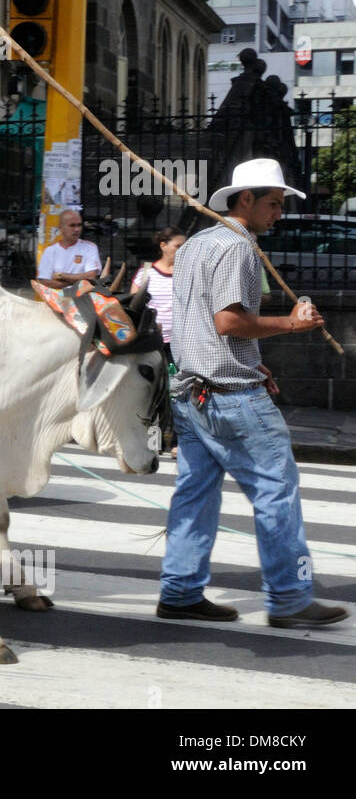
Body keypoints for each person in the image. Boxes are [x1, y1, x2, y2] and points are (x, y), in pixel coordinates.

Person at [159, 158, 348, 628]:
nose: (279, 213)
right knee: (276, 490)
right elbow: (228, 321)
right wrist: (292, 323)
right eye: (273, 203)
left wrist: (248, 358)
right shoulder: (237, 249)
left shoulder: (197, 244)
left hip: (191, 390)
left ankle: (180, 591)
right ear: (246, 199)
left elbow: (199, 324)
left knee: (195, 493)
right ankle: (289, 597)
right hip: (228, 397)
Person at [130, 226, 186, 355]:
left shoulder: (188, 273)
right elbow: (133, 306)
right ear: (163, 246)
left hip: (183, 342)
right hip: (153, 340)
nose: (182, 251)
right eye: (178, 246)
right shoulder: (146, 273)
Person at [35, 209, 99, 288]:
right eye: (72, 225)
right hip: (56, 298)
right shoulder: (50, 251)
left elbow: (91, 277)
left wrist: (61, 276)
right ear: (61, 228)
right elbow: (44, 282)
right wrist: (76, 283)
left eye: (79, 225)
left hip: (82, 298)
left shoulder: (90, 248)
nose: (77, 229)